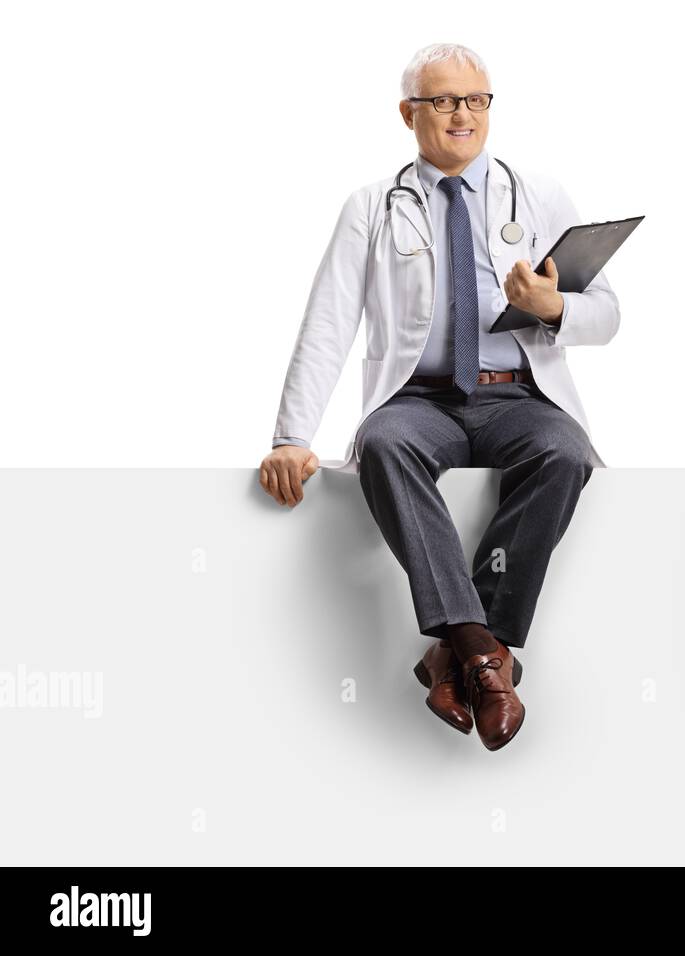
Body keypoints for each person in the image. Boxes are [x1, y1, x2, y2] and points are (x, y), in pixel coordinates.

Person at [259, 43, 619, 751]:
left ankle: (454, 654)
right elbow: (328, 321)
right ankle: (487, 654)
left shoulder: (538, 196)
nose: (463, 115)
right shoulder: (372, 206)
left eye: (477, 100)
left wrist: (552, 307)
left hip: (517, 394)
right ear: (408, 113)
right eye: (445, 101)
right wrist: (290, 436)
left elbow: (607, 316)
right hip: (418, 400)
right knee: (385, 445)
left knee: (564, 453)